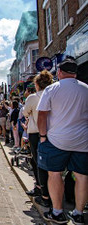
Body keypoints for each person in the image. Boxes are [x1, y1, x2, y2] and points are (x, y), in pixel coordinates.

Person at [37, 57, 88, 224]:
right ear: (75, 73)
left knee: (55, 174)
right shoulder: (86, 89)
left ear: (59, 72)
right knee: (82, 176)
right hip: (82, 141)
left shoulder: (52, 89)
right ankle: (79, 213)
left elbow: (42, 115)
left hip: (57, 140)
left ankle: (58, 212)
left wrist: (43, 136)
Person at [23, 70, 53, 208]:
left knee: (37, 163)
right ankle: (47, 191)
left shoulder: (33, 97)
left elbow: (25, 112)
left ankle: (42, 191)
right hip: (53, 133)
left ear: (36, 84)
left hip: (36, 133)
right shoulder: (54, 94)